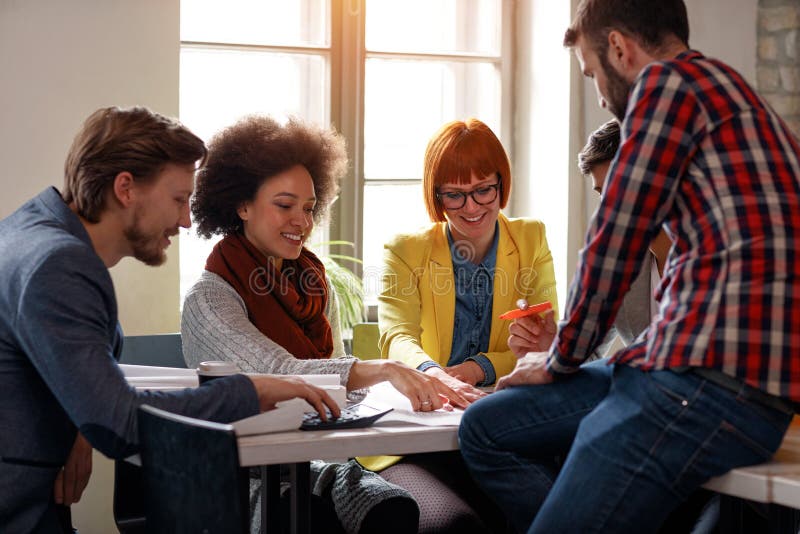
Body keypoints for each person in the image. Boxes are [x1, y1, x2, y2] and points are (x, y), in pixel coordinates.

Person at [459, 1, 800, 532]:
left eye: (593, 72)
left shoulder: (667, 87)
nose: (598, 93)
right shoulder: (739, 98)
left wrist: (561, 356)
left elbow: (615, 236)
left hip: (707, 382)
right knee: (484, 424)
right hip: (700, 377)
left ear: (619, 47)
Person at [0, 106, 340, 534]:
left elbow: (77, 381)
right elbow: (120, 423)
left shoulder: (33, 229)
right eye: (179, 200)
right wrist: (249, 390)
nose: (185, 219)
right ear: (126, 188)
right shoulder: (59, 264)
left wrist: (79, 421)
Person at [180, 114, 468, 534]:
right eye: (285, 205)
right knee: (366, 514)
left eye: (310, 207)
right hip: (250, 480)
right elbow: (278, 374)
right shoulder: (210, 297)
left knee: (427, 514)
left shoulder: (314, 285)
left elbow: (336, 393)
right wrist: (385, 369)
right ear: (242, 205)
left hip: (326, 461)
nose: (302, 220)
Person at [374, 118, 559, 533]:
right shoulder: (406, 250)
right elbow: (396, 338)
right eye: (454, 195)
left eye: (483, 190)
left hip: (504, 427)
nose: (471, 207)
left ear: (501, 184)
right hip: (420, 435)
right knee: (453, 523)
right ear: (435, 195)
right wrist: (436, 376)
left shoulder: (530, 239)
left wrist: (475, 370)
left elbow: (542, 341)